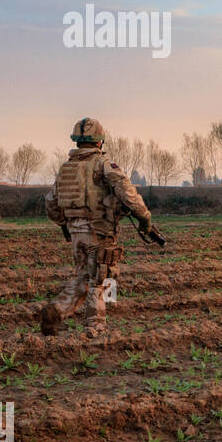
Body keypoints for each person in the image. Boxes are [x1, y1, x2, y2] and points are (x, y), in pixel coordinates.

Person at [38, 117, 160, 338]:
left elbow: (50, 202)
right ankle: (95, 328)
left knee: (85, 276)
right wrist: (145, 220)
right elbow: (129, 195)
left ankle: (56, 311)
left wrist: (66, 224)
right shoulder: (104, 165)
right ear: (100, 142)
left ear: (77, 141)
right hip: (99, 231)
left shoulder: (66, 169)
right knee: (101, 279)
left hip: (76, 233)